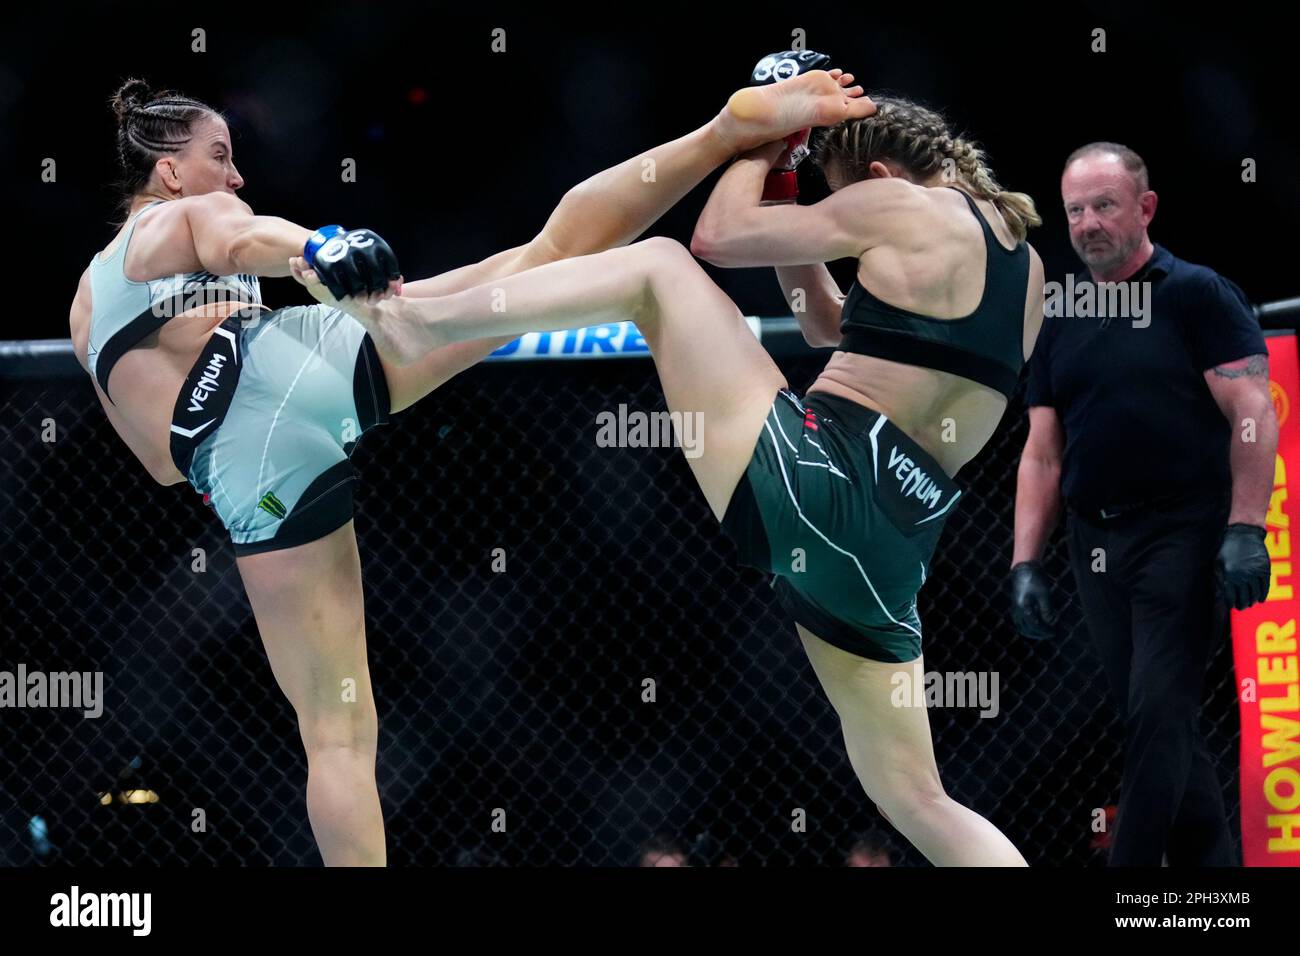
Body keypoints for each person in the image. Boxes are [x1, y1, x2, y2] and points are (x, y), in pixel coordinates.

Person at [68, 67, 871, 865]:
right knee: (546, 254)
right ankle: (720, 136)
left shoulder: (86, 302)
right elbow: (240, 235)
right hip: (281, 369)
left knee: (336, 734)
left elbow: (163, 465)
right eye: (219, 154)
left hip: (235, 468)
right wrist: (317, 244)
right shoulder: (181, 216)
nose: (234, 174)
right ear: (168, 170)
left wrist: (240, 413)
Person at [292, 94, 1044, 866]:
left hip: (820, 474)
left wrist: (762, 145)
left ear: (882, 174)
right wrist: (788, 181)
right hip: (892, 544)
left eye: (839, 189)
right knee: (918, 798)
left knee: (660, 266)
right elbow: (825, 324)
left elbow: (716, 237)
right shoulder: (1024, 258)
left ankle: (423, 325)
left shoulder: (894, 202)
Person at [1009, 142, 1274, 866]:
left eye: (1104, 205)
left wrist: (1246, 528)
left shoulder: (1195, 293)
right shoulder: (1060, 314)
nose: (1088, 223)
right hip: (1097, 542)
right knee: (1158, 723)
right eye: (1074, 211)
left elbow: (1253, 409)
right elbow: (1042, 450)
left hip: (1184, 535)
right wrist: (1025, 562)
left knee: (1158, 714)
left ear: (1145, 208)